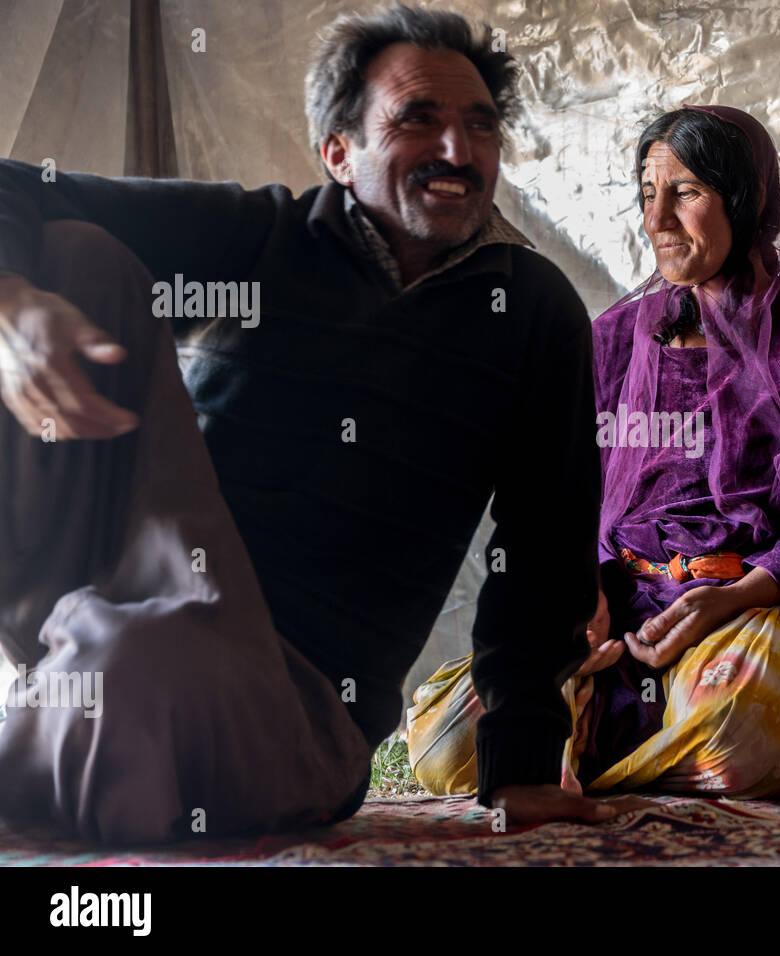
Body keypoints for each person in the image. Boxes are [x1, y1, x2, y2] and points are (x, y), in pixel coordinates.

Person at [0, 4, 622, 844]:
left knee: (143, 659)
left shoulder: (531, 310)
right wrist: (13, 312)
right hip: (117, 611)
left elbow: (544, 550)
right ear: (338, 151)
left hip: (295, 709)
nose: (458, 152)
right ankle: (64, 675)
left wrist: (517, 768)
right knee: (73, 259)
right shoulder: (261, 239)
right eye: (418, 119)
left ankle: (67, 718)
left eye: (480, 126)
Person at [409, 104, 780, 798]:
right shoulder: (614, 340)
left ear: (746, 198)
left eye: (686, 192)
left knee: (735, 726)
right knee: (447, 745)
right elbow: (562, 495)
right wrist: (581, 592)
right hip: (619, 605)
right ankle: (619, 750)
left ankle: (607, 762)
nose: (657, 220)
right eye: (649, 194)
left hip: (758, 608)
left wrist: (734, 595)